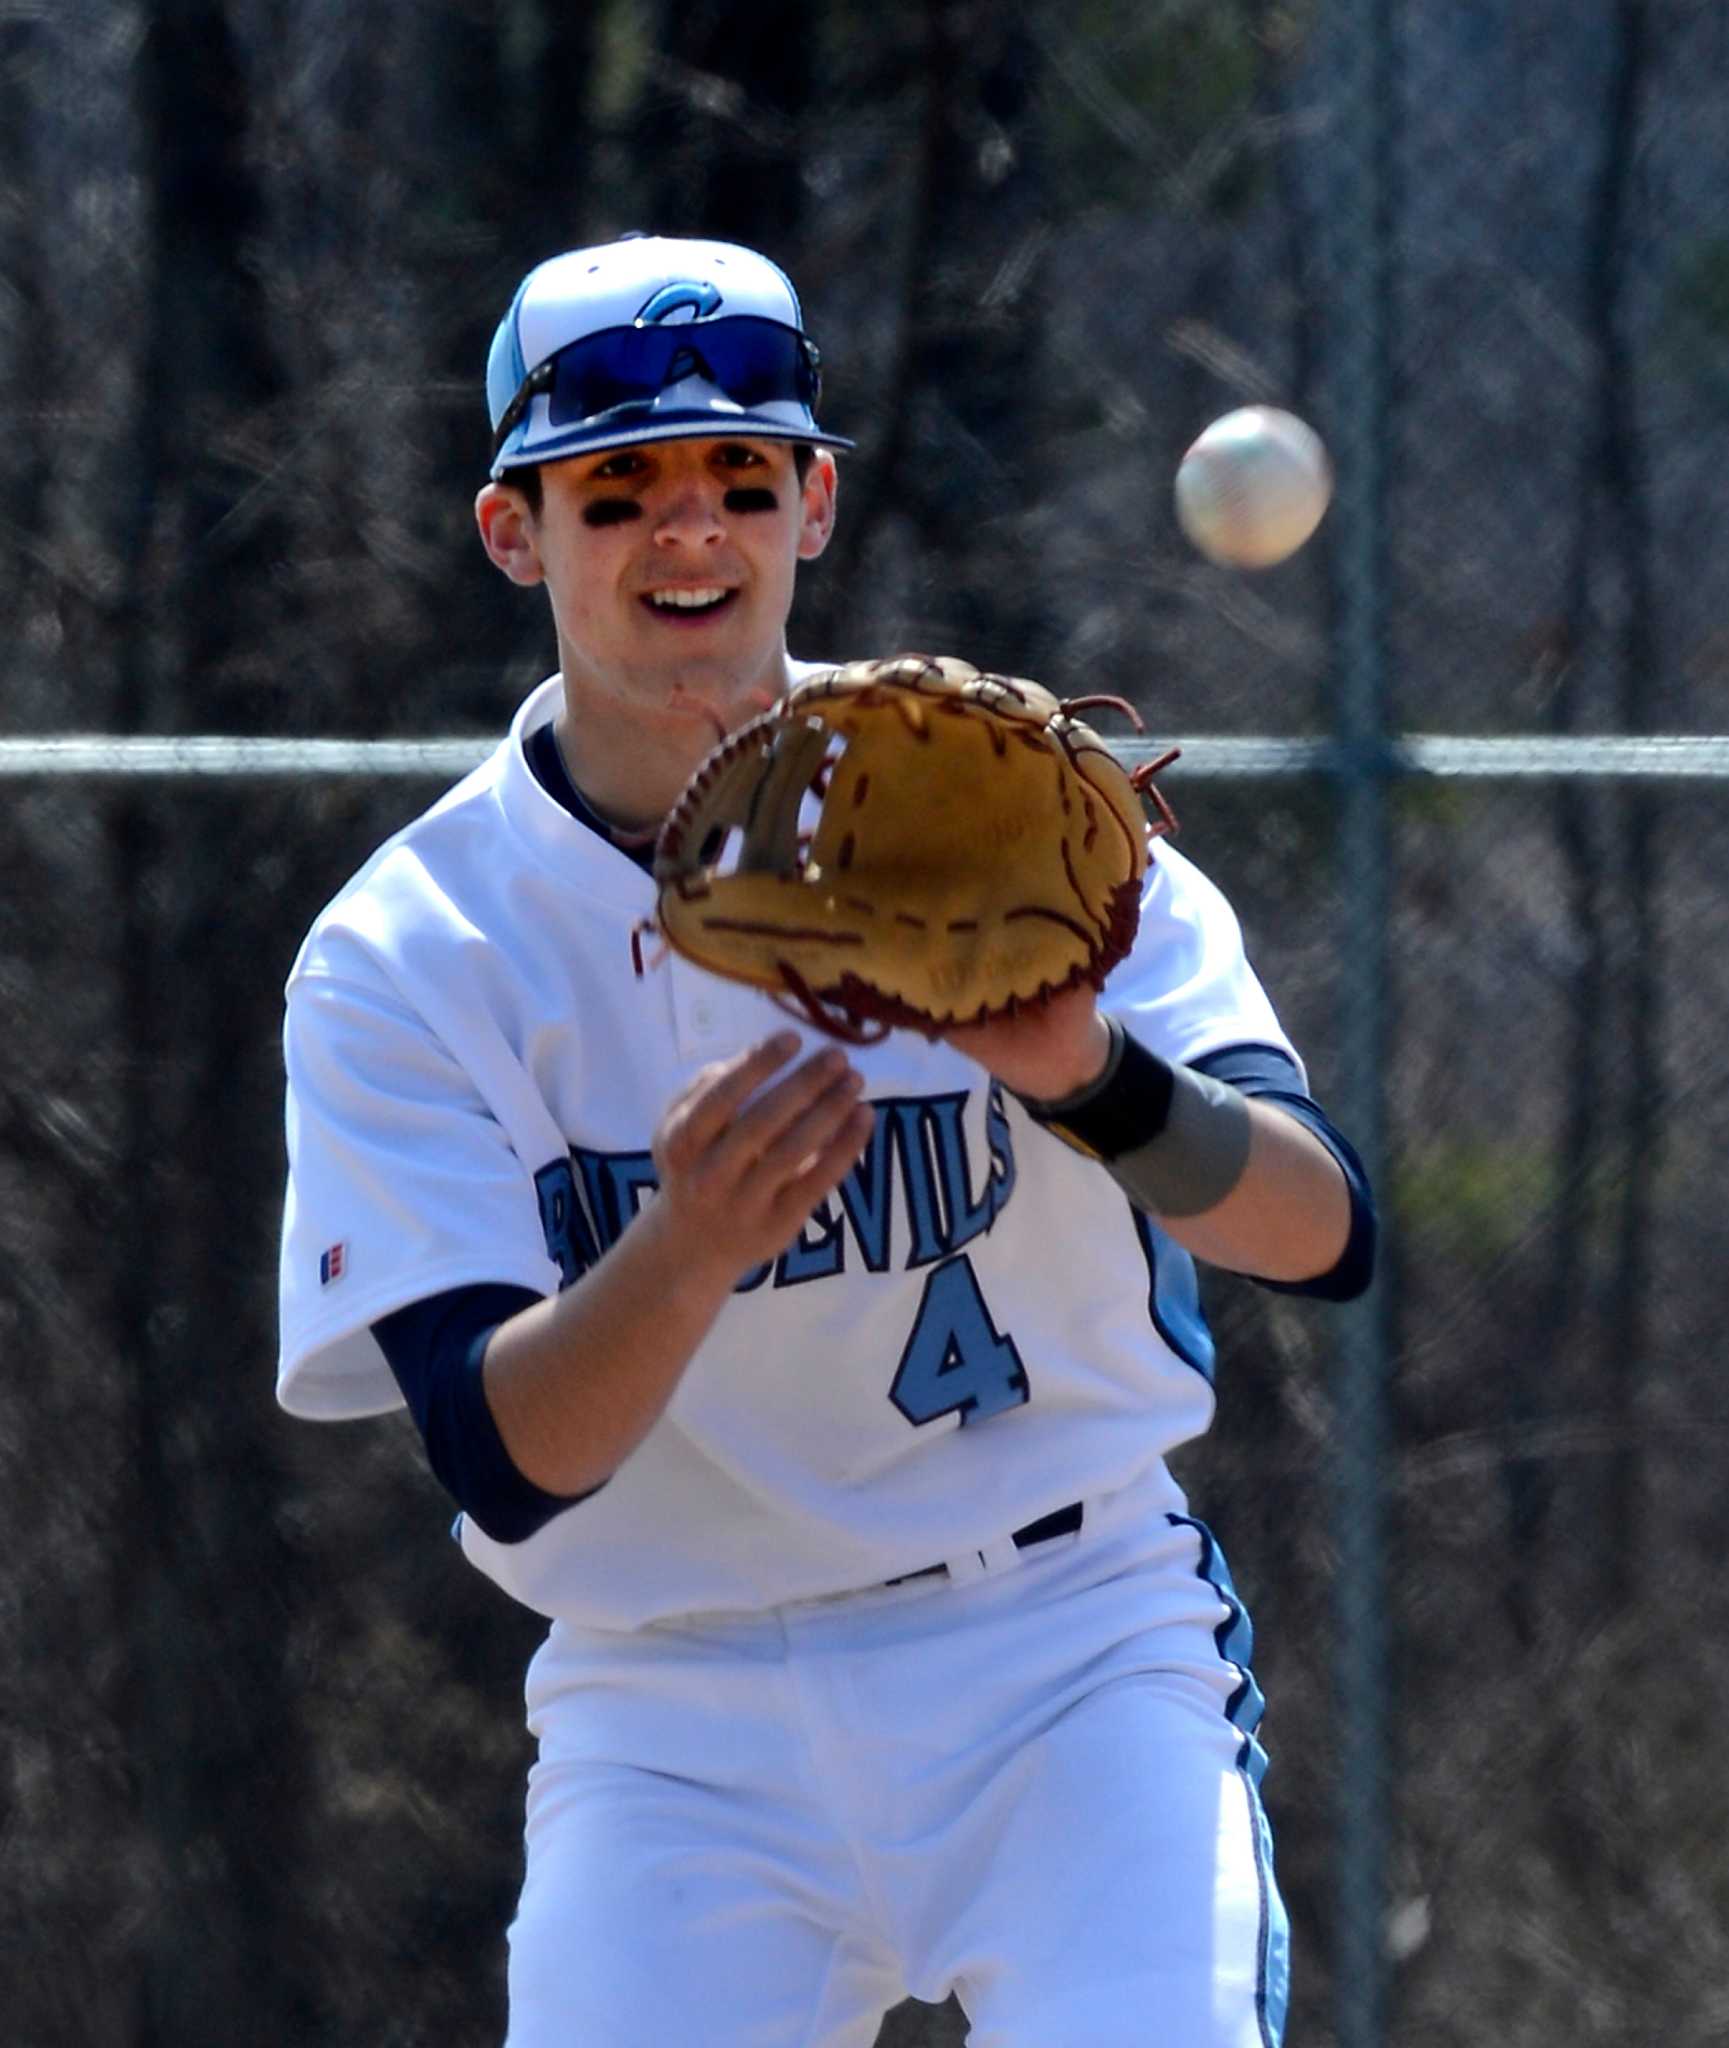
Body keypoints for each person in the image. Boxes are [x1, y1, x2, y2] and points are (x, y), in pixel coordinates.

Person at [277, 232, 1375, 2048]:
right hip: (668, 1716)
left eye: (738, 476)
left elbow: (1323, 1233)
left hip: (1071, 1648)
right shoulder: (416, 950)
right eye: (615, 492)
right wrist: (684, 1246)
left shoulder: (1003, 818)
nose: (686, 531)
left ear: (814, 505)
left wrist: (1090, 1073)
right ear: (512, 534)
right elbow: (498, 1456)